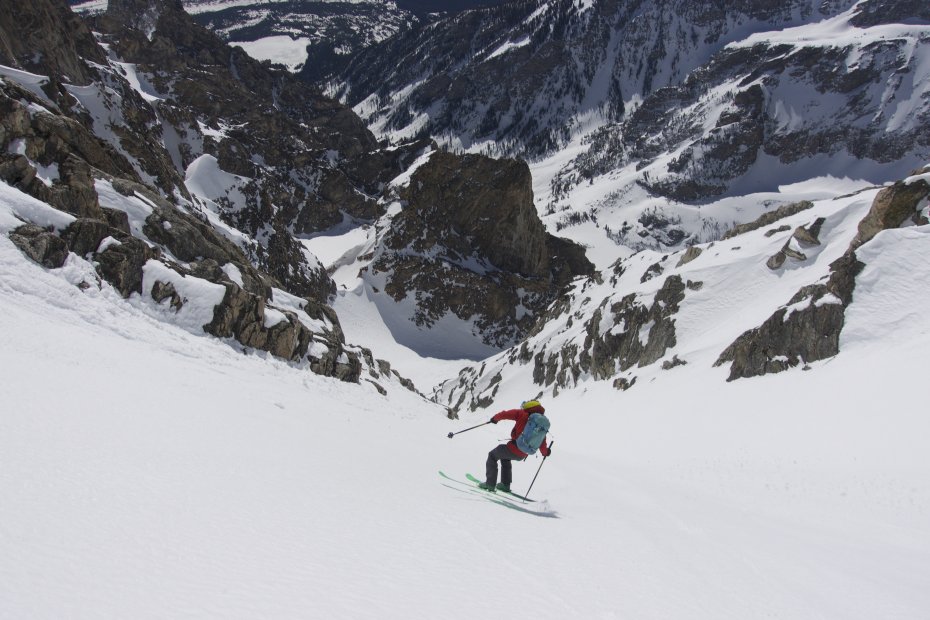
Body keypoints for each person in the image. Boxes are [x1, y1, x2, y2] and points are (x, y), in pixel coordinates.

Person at [479, 400, 552, 493]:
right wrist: (546, 452)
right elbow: (542, 442)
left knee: (492, 455)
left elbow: (505, 414)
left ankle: (490, 484)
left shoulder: (522, 413)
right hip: (523, 454)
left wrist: (494, 419)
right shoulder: (540, 424)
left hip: (514, 447)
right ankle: (505, 485)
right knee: (505, 458)